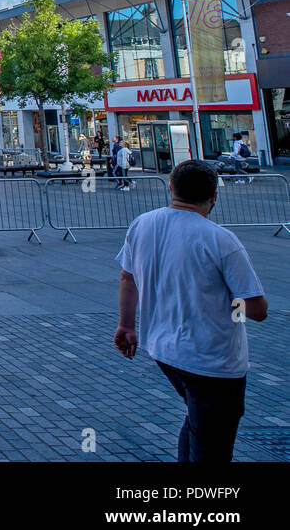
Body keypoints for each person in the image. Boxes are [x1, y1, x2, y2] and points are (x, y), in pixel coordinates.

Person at [114, 160, 268, 462]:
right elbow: (257, 309)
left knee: (199, 421)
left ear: (171, 188)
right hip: (212, 359)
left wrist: (127, 325)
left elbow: (127, 277)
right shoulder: (221, 239)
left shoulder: (142, 224)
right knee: (212, 443)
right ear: (214, 196)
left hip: (164, 349)